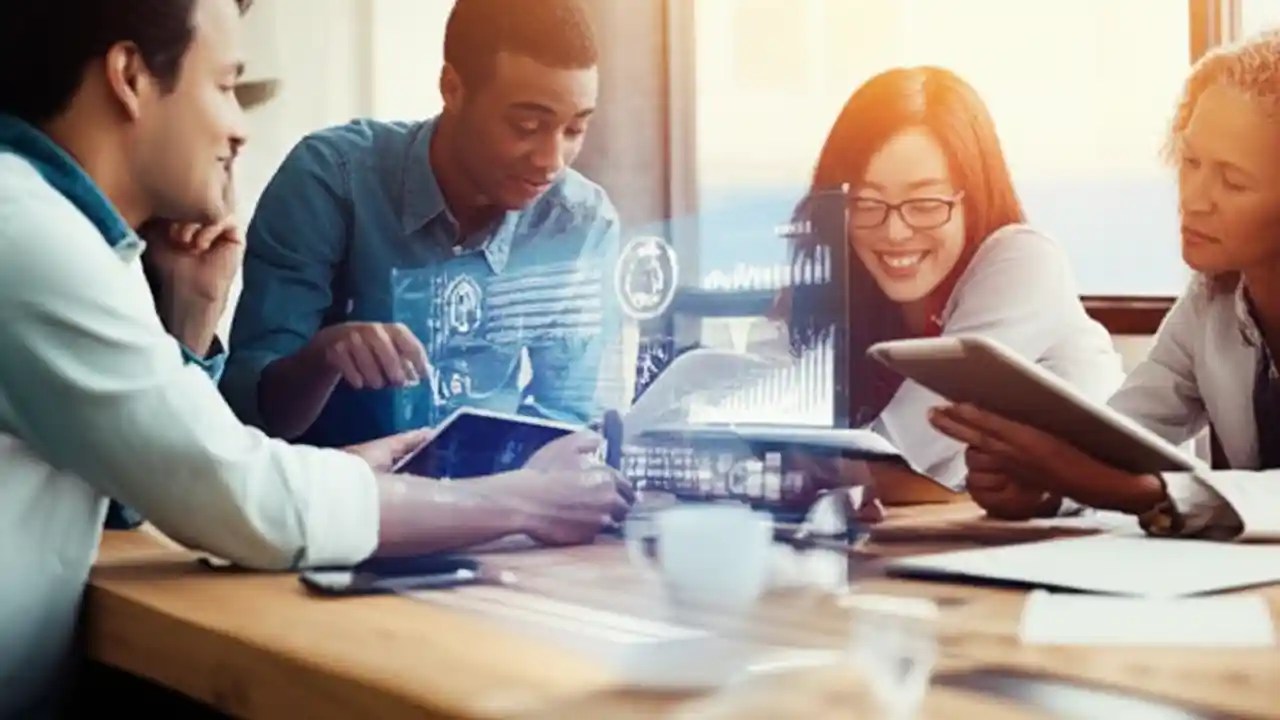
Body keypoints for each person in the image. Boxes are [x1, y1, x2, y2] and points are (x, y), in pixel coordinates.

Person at [0, 2, 632, 716]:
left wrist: (190, 315)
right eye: (226, 84)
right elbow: (237, 496)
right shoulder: (27, 235)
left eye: (575, 128)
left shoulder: (55, 230)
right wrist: (518, 501)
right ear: (129, 77)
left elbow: (129, 489)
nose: (240, 127)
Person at [219, 0, 622, 449]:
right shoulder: (333, 180)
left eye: (574, 130)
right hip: (340, 501)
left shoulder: (580, 223)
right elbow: (246, 413)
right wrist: (321, 359)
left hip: (501, 502)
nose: (552, 162)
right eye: (527, 125)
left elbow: (567, 418)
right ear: (452, 87)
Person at [928, 31, 1280, 540]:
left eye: (1232, 180)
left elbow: (1122, 479)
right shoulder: (1211, 302)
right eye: (1191, 161)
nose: (1194, 199)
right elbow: (1118, 438)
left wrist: (1138, 492)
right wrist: (1043, 484)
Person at [778, 66, 1125, 501]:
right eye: (866, 203)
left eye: (925, 203)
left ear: (973, 195)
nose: (895, 231)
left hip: (1118, 541)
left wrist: (801, 463)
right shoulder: (864, 303)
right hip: (977, 550)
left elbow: (882, 457)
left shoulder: (1023, 261)